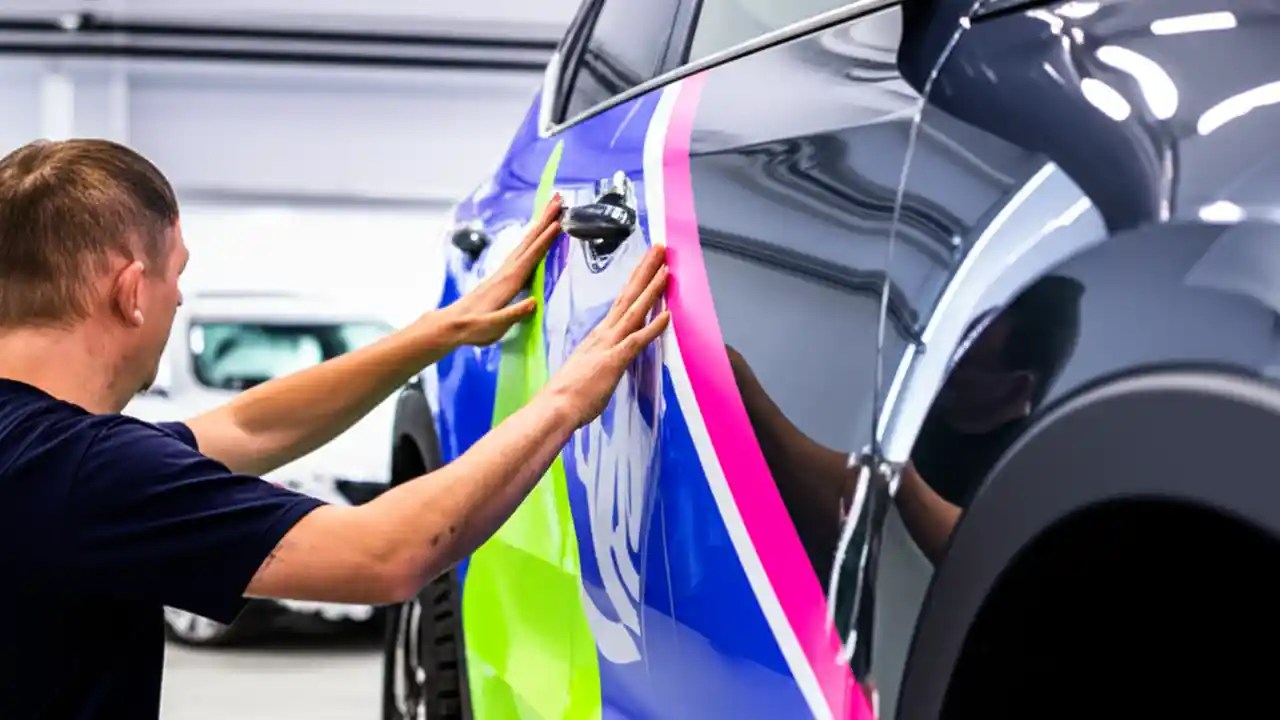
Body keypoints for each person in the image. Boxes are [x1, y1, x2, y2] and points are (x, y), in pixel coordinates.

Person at [0, 138, 670, 719]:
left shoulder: (39, 451)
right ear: (131, 291)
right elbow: (387, 554)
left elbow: (245, 426)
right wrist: (565, 400)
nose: (178, 296)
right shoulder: (81, 471)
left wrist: (439, 332)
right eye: (178, 273)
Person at [727, 275, 1084, 572]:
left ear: (1017, 387)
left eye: (964, 360)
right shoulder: (916, 397)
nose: (944, 366)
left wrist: (900, 480)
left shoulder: (1023, 471)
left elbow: (981, 551)